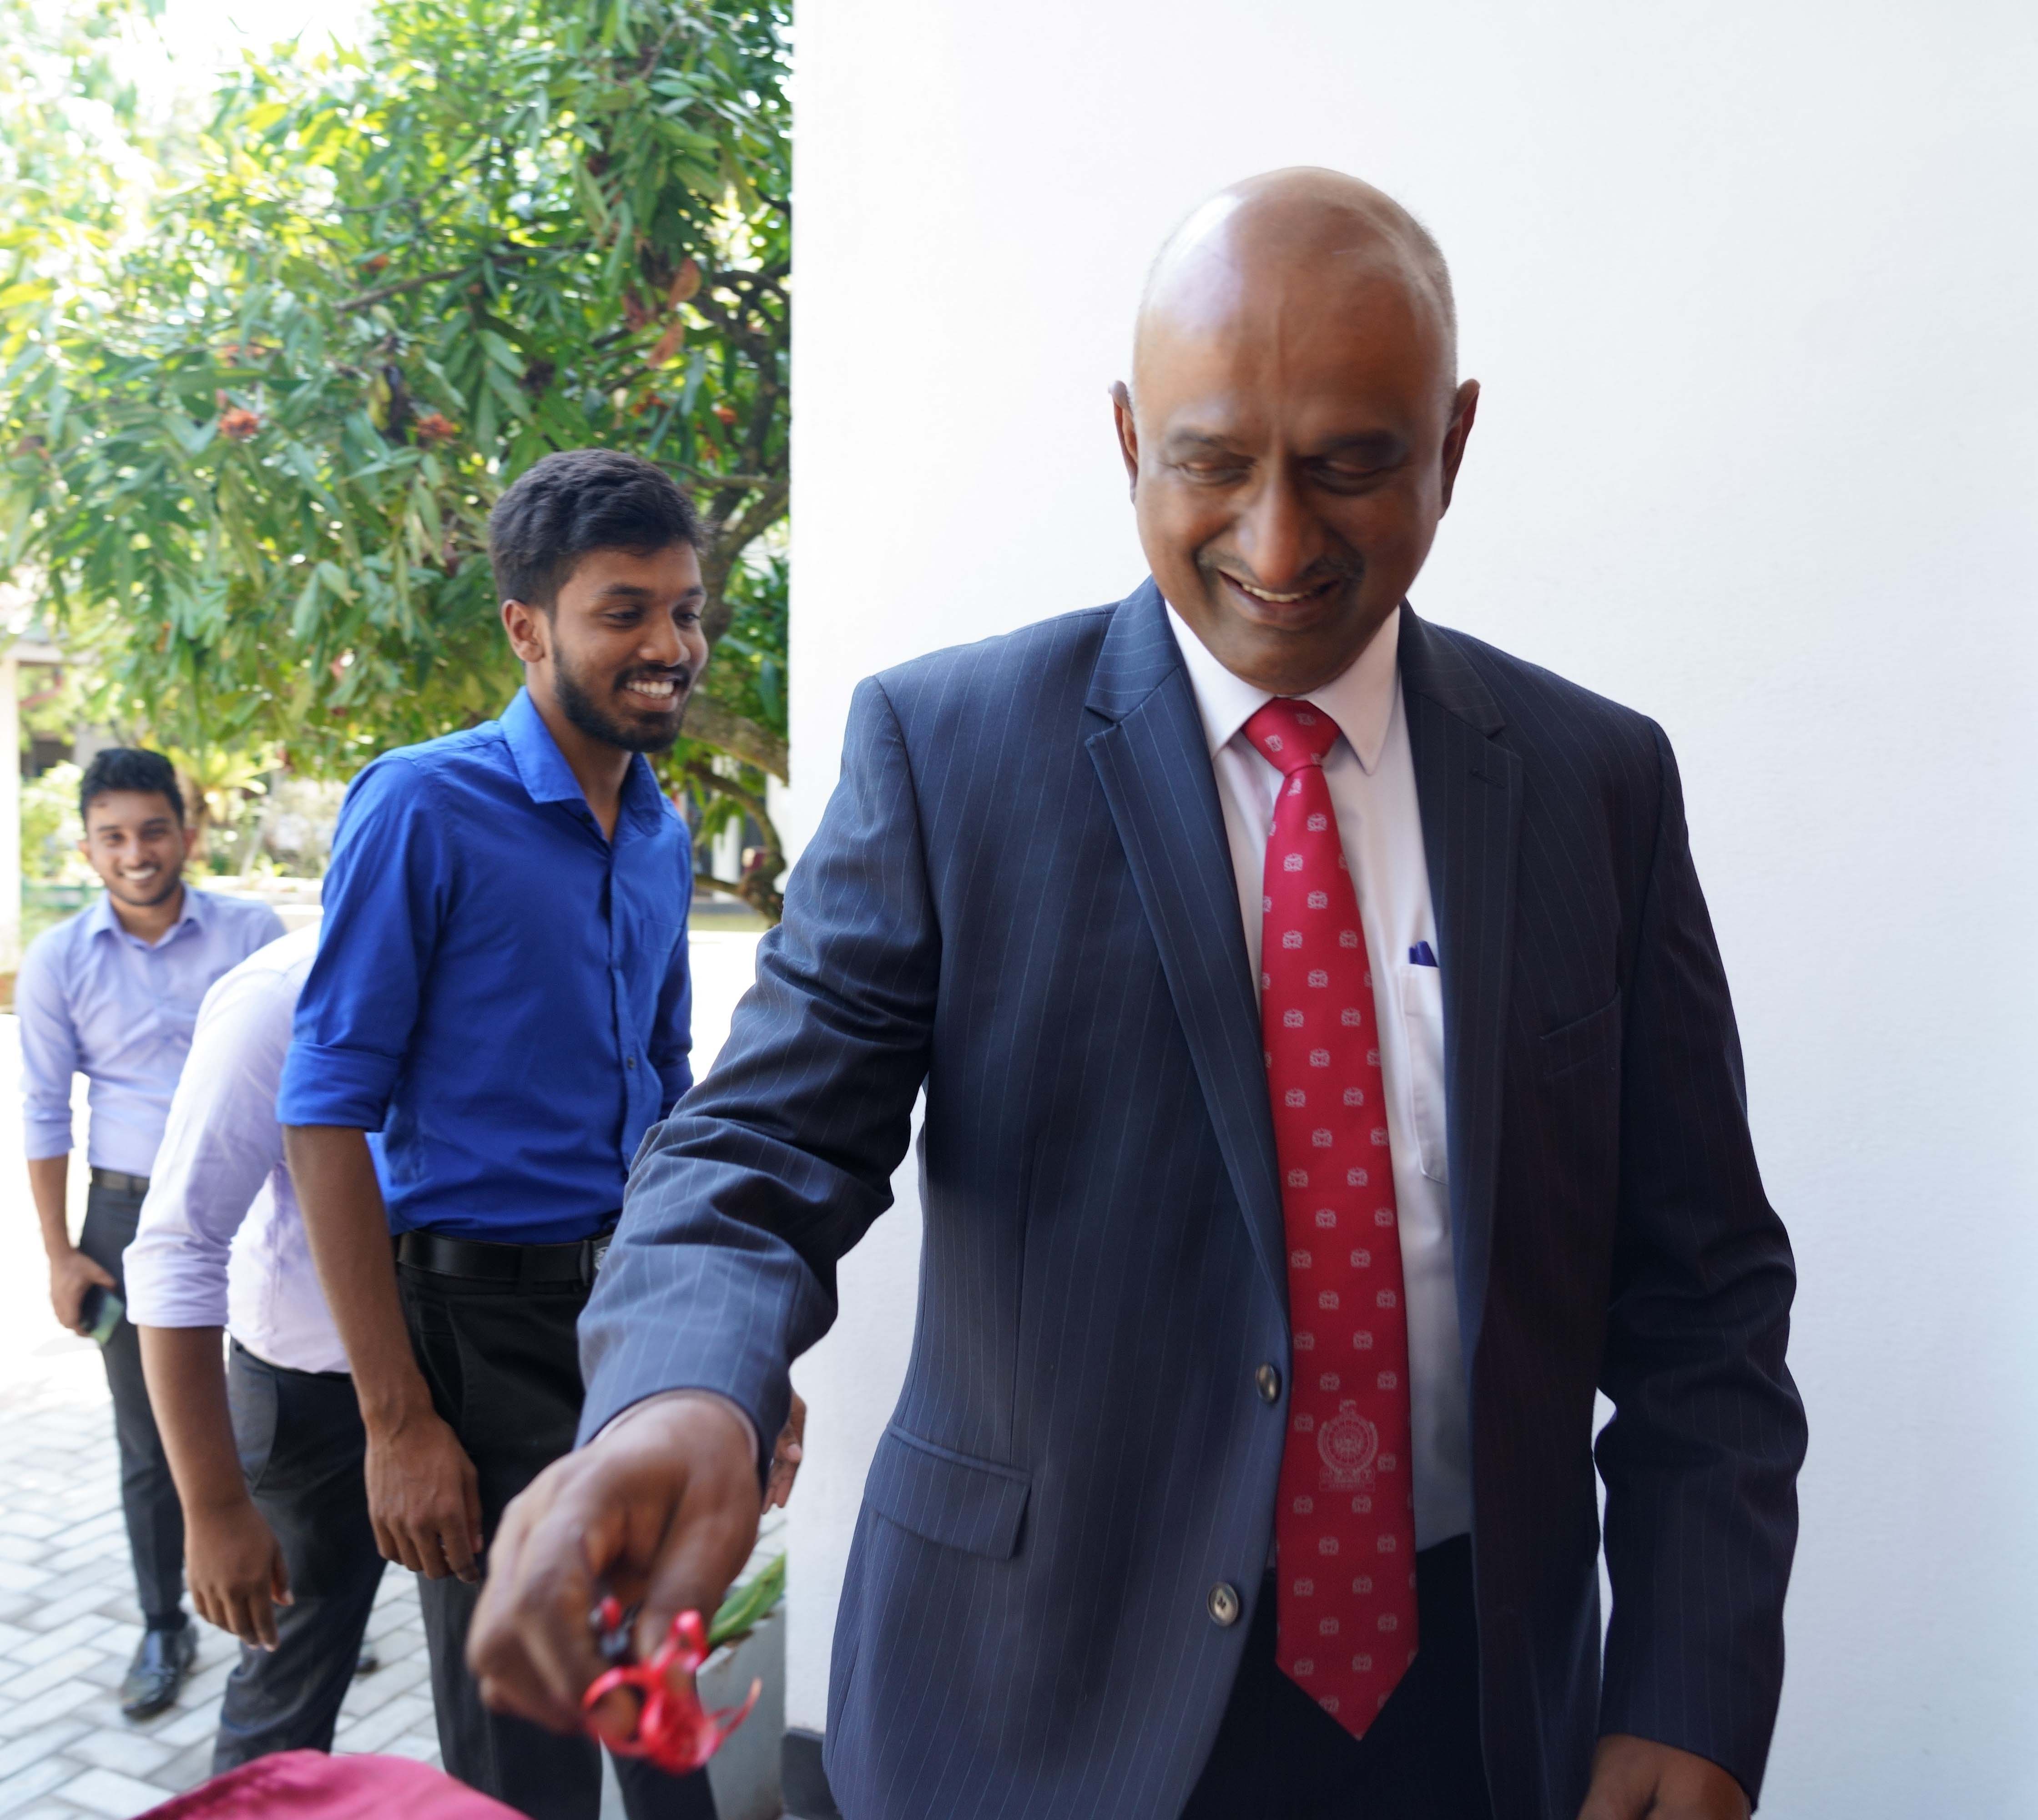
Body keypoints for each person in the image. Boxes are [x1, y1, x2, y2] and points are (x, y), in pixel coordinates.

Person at [468, 172, 1810, 1820]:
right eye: (1213, 464)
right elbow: (749, 1154)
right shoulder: (952, 753)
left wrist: (1690, 1677)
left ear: (1453, 442)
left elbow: (1707, 1295)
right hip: (1031, 1703)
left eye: (1349, 466)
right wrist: (684, 1391)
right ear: (1127, 440)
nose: (1277, 543)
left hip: (1476, 1712)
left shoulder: (1599, 783)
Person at [276, 449, 802, 1820]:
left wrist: (728, 1347)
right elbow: (324, 1113)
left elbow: (677, 1100)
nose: (669, 646)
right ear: (528, 627)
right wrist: (397, 1423)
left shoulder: (663, 831)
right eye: (624, 610)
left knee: (662, 1708)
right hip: (473, 1339)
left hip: (635, 1319)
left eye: (686, 611)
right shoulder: (419, 806)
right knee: (527, 1762)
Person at [16, 748, 283, 1719]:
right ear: (88, 849)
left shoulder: (254, 930)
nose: (137, 853)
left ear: (188, 829)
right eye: (114, 837)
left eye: (153, 829)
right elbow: (45, 1112)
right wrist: (58, 1250)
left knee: (272, 1412)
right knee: (149, 1437)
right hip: (126, 1215)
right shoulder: (58, 960)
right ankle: (163, 1621)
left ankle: (294, 1605)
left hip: (260, 1202)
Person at [125, 925, 387, 1770]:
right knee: (287, 1694)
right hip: (311, 1398)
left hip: (472, 1365)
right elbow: (176, 1248)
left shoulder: (504, 962)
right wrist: (214, 1509)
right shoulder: (277, 996)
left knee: (505, 1679)